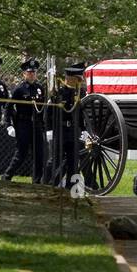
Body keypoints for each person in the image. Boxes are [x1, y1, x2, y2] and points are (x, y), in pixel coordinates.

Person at [3, 58, 48, 182]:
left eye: (33, 72)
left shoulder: (40, 88)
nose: (32, 74)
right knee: (21, 154)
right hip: (23, 124)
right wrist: (8, 124)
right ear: (24, 74)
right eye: (29, 72)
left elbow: (42, 109)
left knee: (39, 154)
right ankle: (7, 176)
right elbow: (8, 107)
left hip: (37, 125)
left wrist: (44, 127)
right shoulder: (19, 89)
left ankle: (37, 181)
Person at [47, 62, 87, 190]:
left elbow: (79, 113)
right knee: (56, 160)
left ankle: (70, 187)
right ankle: (47, 183)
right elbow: (49, 114)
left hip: (73, 130)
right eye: (78, 78)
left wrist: (84, 130)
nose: (80, 81)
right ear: (70, 78)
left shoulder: (79, 93)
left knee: (73, 161)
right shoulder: (58, 93)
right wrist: (49, 130)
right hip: (60, 130)